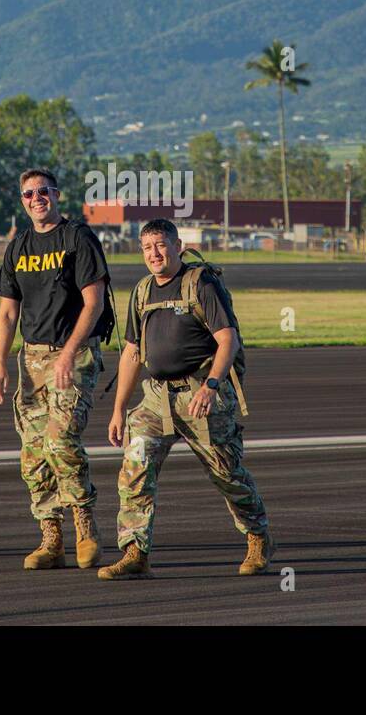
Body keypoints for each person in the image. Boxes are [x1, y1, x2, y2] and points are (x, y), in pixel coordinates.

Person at [98, 217, 272, 580]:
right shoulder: (143, 291)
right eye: (147, 247)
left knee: (226, 472)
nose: (154, 253)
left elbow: (228, 340)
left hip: (200, 395)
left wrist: (210, 386)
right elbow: (132, 352)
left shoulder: (201, 284)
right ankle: (135, 551)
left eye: (161, 245)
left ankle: (258, 537)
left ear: (178, 246)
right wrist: (118, 410)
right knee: (135, 467)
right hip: (155, 396)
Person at [0, 169, 114, 570]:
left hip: (73, 355)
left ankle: (85, 526)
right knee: (32, 455)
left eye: (43, 191)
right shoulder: (18, 246)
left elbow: (93, 302)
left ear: (56, 195)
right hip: (32, 359)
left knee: (61, 440)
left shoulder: (78, 239)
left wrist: (68, 353)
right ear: (22, 200)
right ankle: (51, 538)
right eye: (28, 193)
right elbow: (8, 312)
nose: (36, 198)